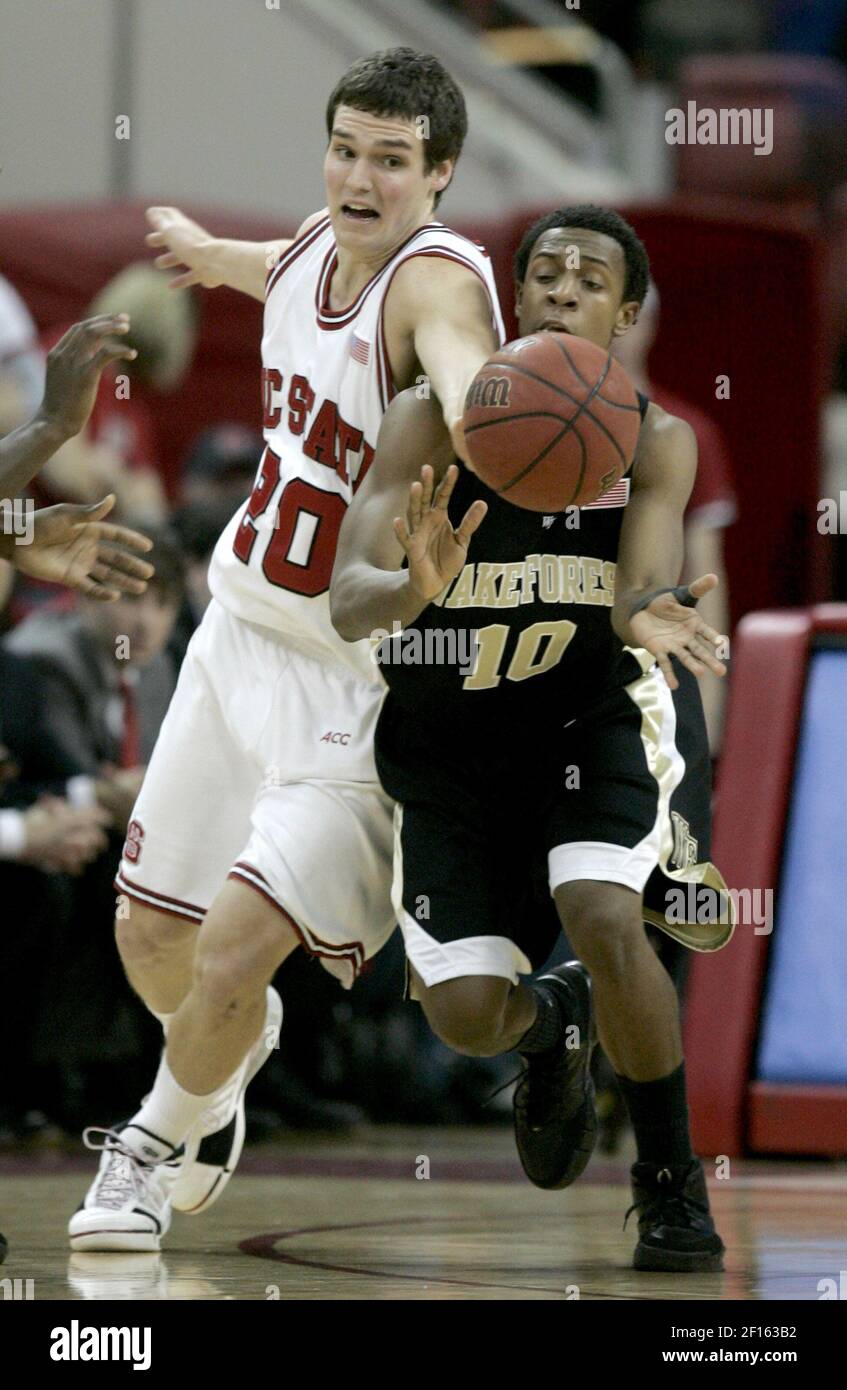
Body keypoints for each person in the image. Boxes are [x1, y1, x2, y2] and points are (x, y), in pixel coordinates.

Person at [70, 46, 505, 1253]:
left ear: (441, 175)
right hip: (234, 641)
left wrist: (493, 419)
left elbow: (465, 370)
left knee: (234, 948)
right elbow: (283, 264)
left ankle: (149, 1150)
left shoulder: (437, 282)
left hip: (353, 685)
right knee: (151, 940)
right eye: (346, 150)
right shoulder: (320, 242)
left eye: (392, 161)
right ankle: (226, 1050)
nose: (361, 179)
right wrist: (207, 255)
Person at [330, 204, 734, 1273]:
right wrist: (403, 589)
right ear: (515, 300)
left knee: (601, 911)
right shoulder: (429, 420)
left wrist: (644, 607)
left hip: (588, 715)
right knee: (465, 1016)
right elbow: (344, 597)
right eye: (544, 272)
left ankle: (668, 1186)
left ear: (626, 311)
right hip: (451, 741)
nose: (560, 286)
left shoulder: (655, 439)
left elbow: (639, 586)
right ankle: (554, 1018)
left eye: (588, 277)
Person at [612, 280, 737, 754]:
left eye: (631, 317)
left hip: (651, 668)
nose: (619, 332)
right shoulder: (537, 432)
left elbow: (707, 576)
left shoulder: (689, 434)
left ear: (651, 326)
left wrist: (709, 706)